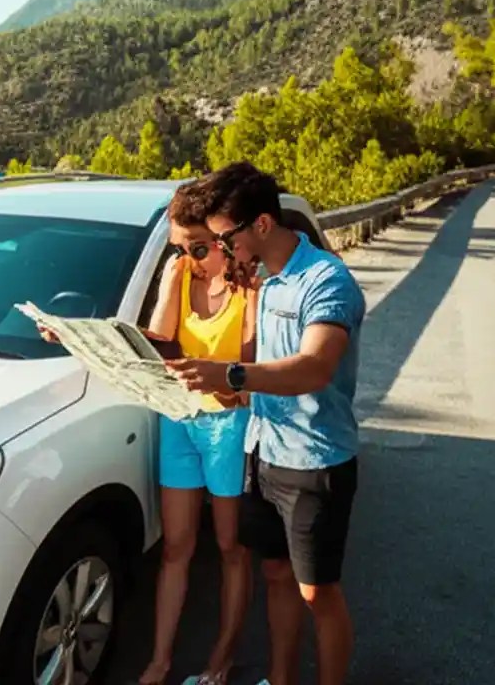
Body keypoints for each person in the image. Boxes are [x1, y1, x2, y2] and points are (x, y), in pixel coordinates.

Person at [41, 181, 258, 685]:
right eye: (179, 247)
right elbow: (156, 341)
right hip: (179, 416)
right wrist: (78, 335)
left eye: (198, 247)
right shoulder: (178, 273)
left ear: (225, 239)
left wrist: (217, 379)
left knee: (230, 547)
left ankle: (220, 659)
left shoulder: (253, 288)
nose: (188, 258)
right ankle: (159, 662)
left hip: (229, 423)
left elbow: (246, 375)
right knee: (177, 547)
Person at [164, 162, 365, 685]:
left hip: (315, 460)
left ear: (260, 225)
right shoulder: (264, 278)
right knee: (275, 574)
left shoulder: (326, 279)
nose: (220, 249)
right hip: (263, 451)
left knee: (317, 591)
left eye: (224, 237)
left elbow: (315, 367)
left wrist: (229, 373)